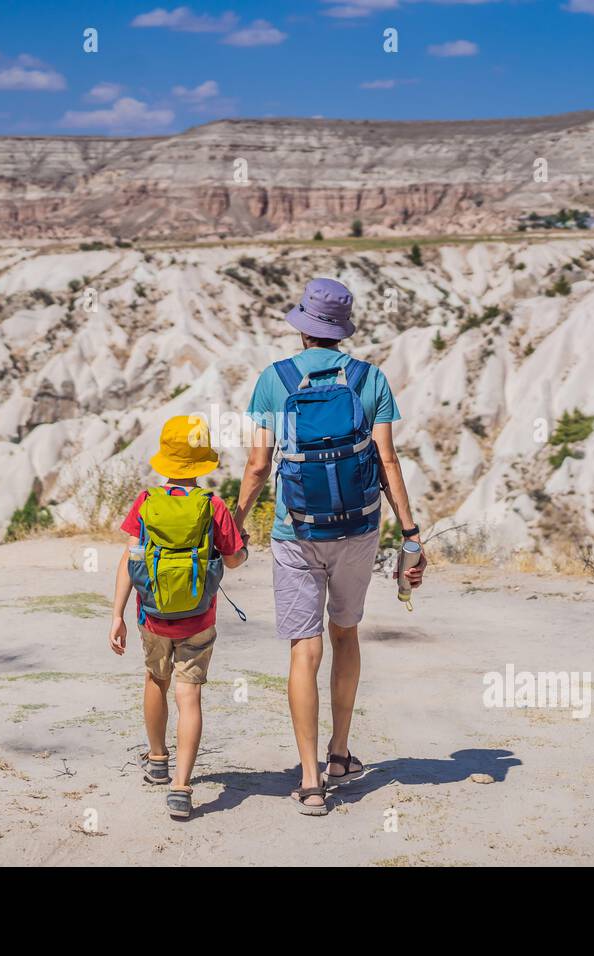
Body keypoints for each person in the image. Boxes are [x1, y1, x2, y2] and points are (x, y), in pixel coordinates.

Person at [232, 277, 426, 816]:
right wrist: (411, 534)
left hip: (297, 533)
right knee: (345, 635)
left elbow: (257, 465)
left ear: (302, 328)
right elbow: (388, 463)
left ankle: (312, 779)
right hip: (359, 530)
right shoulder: (371, 379)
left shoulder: (274, 381)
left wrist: (234, 523)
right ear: (342, 330)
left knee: (304, 648)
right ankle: (341, 754)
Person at [109, 415, 247, 819]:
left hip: (152, 618)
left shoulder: (146, 502)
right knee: (190, 697)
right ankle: (182, 787)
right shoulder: (213, 506)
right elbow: (234, 560)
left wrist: (116, 615)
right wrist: (244, 550)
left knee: (156, 681)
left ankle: (157, 760)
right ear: (203, 464)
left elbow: (129, 558)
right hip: (199, 620)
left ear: (166, 462)